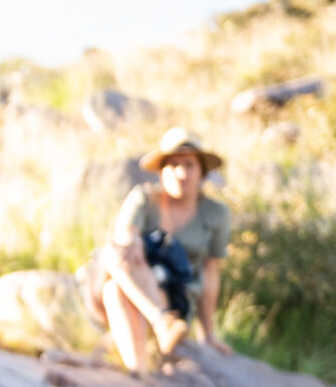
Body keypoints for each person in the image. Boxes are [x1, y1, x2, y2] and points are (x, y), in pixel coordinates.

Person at [89, 128, 234, 374]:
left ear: (201, 171)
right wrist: (133, 240)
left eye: (189, 164)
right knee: (118, 256)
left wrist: (208, 333)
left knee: (116, 290)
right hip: (137, 282)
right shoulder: (144, 199)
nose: (181, 173)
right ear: (162, 171)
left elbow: (211, 272)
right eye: (173, 165)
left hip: (175, 295)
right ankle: (159, 326)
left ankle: (139, 369)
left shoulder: (216, 213)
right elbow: (124, 233)